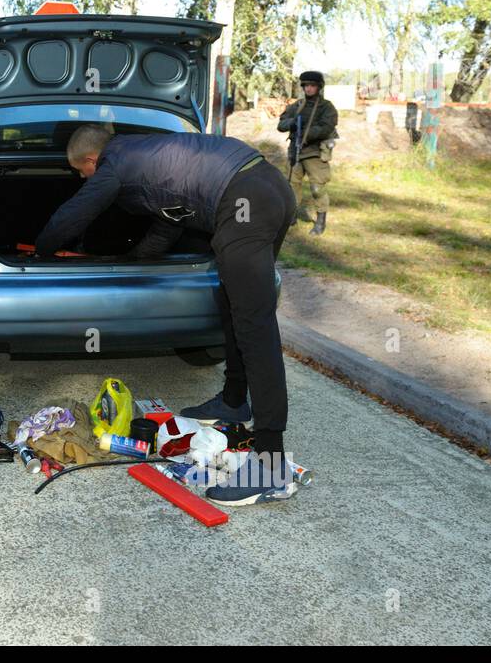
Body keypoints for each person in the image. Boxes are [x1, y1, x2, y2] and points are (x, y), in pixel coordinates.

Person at [34, 124, 300, 506]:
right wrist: (138, 260)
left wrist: (41, 249)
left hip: (243, 203)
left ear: (91, 159)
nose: (83, 177)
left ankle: (270, 464)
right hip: (269, 186)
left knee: (255, 325)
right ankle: (234, 399)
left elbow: (76, 212)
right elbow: (170, 217)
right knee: (233, 303)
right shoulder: (148, 154)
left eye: (80, 172)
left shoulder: (113, 166)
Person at [277, 70, 337, 235]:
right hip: (295, 152)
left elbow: (327, 127)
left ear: (319, 87)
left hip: (315, 153)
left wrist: (306, 133)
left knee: (317, 188)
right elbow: (281, 124)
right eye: (306, 86)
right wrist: (292, 123)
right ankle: (291, 216)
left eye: (313, 86)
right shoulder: (296, 106)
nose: (309, 89)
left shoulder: (327, 107)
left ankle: (320, 222)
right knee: (291, 187)